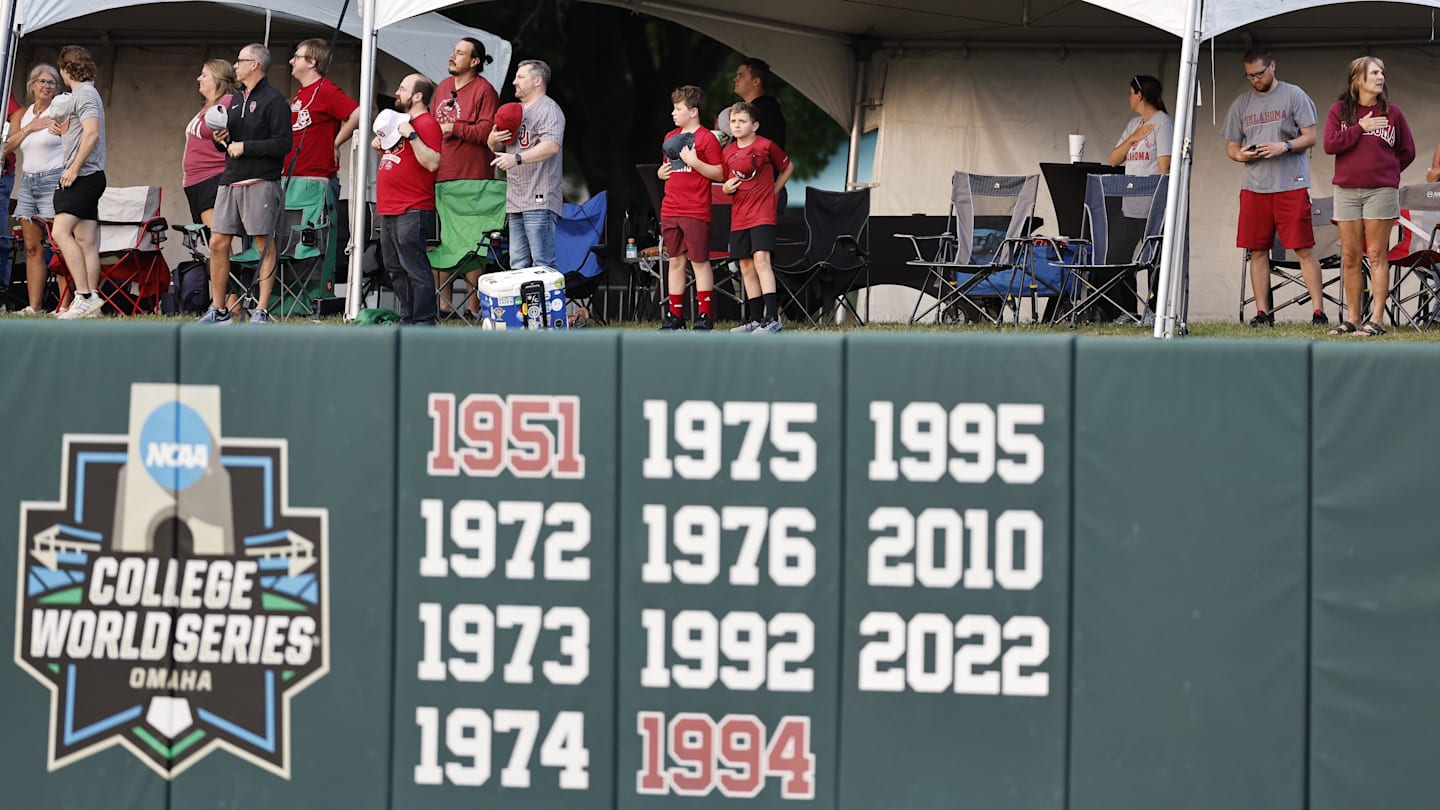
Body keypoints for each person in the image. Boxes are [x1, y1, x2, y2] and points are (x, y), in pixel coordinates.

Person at [1222, 46, 1326, 327]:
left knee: (1303, 248)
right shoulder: (1241, 104)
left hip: (1290, 184)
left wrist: (1285, 145)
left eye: (1259, 73)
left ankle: (1318, 311)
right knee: (1257, 250)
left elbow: (1312, 137)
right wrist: (1241, 154)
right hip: (1255, 186)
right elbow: (1231, 147)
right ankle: (1262, 313)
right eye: (1249, 76)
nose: (1255, 80)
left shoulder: (1294, 95)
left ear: (1272, 67)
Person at [198, 43, 292, 324]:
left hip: (260, 180)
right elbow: (231, 144)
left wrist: (246, 146)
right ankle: (218, 310)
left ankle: (261, 311)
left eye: (240, 61)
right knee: (217, 241)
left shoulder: (274, 101)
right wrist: (222, 140)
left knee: (263, 243)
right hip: (230, 179)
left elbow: (284, 143)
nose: (235, 66)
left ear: (255, 65)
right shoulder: (236, 99)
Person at [1323, 56, 1415, 337]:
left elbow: (1407, 151)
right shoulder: (1339, 111)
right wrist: (1359, 129)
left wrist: (1387, 175)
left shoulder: (1393, 113)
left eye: (1382, 73)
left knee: (1376, 254)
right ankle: (1353, 319)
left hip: (1380, 192)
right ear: (1357, 79)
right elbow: (1329, 144)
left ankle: (1377, 319)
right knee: (1350, 256)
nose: (1380, 77)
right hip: (1346, 191)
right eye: (1374, 72)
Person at [432, 37, 499, 317]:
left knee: (472, 245)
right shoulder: (443, 87)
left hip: (473, 178)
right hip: (440, 176)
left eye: (460, 53)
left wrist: (454, 128)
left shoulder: (485, 91)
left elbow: (488, 133)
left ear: (474, 61)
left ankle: (474, 308)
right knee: (441, 242)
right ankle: (443, 306)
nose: (453, 56)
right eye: (453, 51)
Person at [374, 73, 442, 325]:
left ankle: (424, 321)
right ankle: (408, 317)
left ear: (417, 96)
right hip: (391, 207)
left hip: (412, 207)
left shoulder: (426, 124)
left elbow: (432, 162)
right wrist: (381, 148)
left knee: (415, 267)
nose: (397, 93)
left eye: (402, 89)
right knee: (394, 268)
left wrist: (412, 136)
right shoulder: (401, 122)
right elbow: (399, 159)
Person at [1106, 74, 1173, 325]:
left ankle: (1154, 311)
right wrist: (1133, 138)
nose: (1129, 98)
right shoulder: (1134, 124)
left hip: (1153, 204)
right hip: (1130, 204)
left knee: (1155, 258)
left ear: (1140, 95)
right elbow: (1114, 159)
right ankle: (1128, 310)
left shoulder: (1162, 123)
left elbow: (1164, 166)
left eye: (1130, 93)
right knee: (1119, 255)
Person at [657, 85, 724, 331]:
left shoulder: (707, 138)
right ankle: (675, 316)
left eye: (678, 108)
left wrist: (695, 162)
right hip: (671, 206)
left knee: (699, 261)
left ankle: (705, 314)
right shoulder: (669, 137)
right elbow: (667, 167)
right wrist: (660, 172)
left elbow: (719, 172)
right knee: (675, 260)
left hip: (695, 209)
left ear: (693, 111)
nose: (673, 113)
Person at [722, 102, 793, 334]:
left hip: (762, 213)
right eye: (733, 121)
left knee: (761, 259)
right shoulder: (728, 151)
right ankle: (755, 320)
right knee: (745, 265)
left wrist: (774, 191)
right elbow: (729, 180)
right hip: (739, 214)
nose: (737, 125)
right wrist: (726, 189)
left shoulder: (766, 145)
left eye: (742, 121)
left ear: (755, 125)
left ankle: (772, 318)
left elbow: (788, 167)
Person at [489, 59, 564, 270]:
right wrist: (492, 141)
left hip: (540, 197)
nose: (514, 82)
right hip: (516, 200)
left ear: (538, 80)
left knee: (541, 263)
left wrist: (517, 159)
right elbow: (501, 151)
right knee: (517, 264)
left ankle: (542, 305)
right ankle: (523, 305)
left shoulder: (549, 109)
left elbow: (551, 146)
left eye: (520, 77)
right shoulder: (515, 111)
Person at [50, 46, 107, 321]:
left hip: (83, 176)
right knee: (85, 240)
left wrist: (73, 169)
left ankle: (83, 296)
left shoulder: (84, 94)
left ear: (64, 69)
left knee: (61, 232)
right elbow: (80, 132)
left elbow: (92, 133)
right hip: (90, 175)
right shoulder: (82, 94)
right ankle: (92, 299)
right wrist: (63, 130)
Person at [4, 65, 63, 315]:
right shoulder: (22, 114)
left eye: (52, 82)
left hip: (53, 180)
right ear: (32, 85)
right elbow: (6, 147)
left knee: (59, 244)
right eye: (42, 81)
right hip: (28, 182)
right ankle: (34, 306)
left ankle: (66, 305)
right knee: (32, 247)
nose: (47, 86)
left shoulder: (61, 111)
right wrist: (31, 127)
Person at [183, 59, 237, 228]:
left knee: (216, 238)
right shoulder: (208, 106)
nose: (199, 78)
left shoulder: (227, 102)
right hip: (195, 180)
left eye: (204, 75)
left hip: (212, 177)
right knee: (211, 240)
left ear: (217, 79)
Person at [733, 57, 788, 215]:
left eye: (741, 75)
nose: (735, 79)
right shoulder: (764, 110)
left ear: (756, 81)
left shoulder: (765, 111)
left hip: (760, 192)